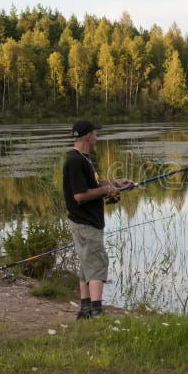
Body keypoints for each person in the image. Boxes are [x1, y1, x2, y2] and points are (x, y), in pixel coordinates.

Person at [63, 120, 131, 319]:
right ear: (87, 136)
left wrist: (116, 183)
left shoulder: (82, 159)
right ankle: (96, 312)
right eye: (95, 134)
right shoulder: (75, 161)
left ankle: (85, 311)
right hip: (85, 223)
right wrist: (106, 190)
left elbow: (92, 185)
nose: (96, 138)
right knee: (97, 265)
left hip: (84, 222)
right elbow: (80, 196)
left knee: (87, 266)